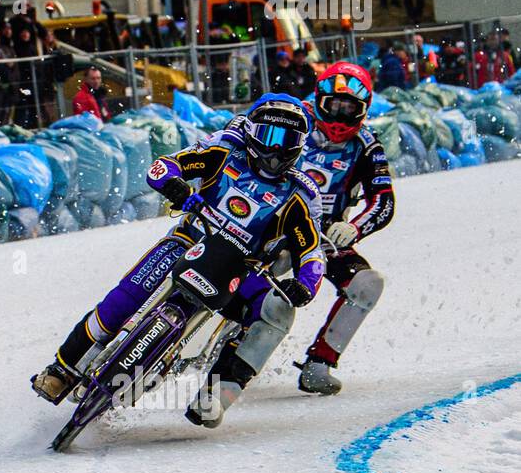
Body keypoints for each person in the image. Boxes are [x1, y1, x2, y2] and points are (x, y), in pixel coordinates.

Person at [32, 95, 324, 415]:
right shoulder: (224, 150)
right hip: (189, 239)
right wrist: (173, 185)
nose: (276, 149)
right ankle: (62, 368)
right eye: (269, 136)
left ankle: (216, 398)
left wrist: (305, 284)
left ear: (301, 146)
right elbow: (165, 165)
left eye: (288, 141)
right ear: (252, 130)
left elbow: (311, 251)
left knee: (278, 314)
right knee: (124, 299)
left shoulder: (303, 194)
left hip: (242, 270)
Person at [288, 62, 394, 393]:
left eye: (349, 109)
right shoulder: (293, 118)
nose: (339, 116)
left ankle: (319, 363)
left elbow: (384, 202)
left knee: (367, 283)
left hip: (324, 235)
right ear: (319, 99)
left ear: (363, 111)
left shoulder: (367, 145)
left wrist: (355, 229)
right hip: (267, 220)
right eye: (333, 105)